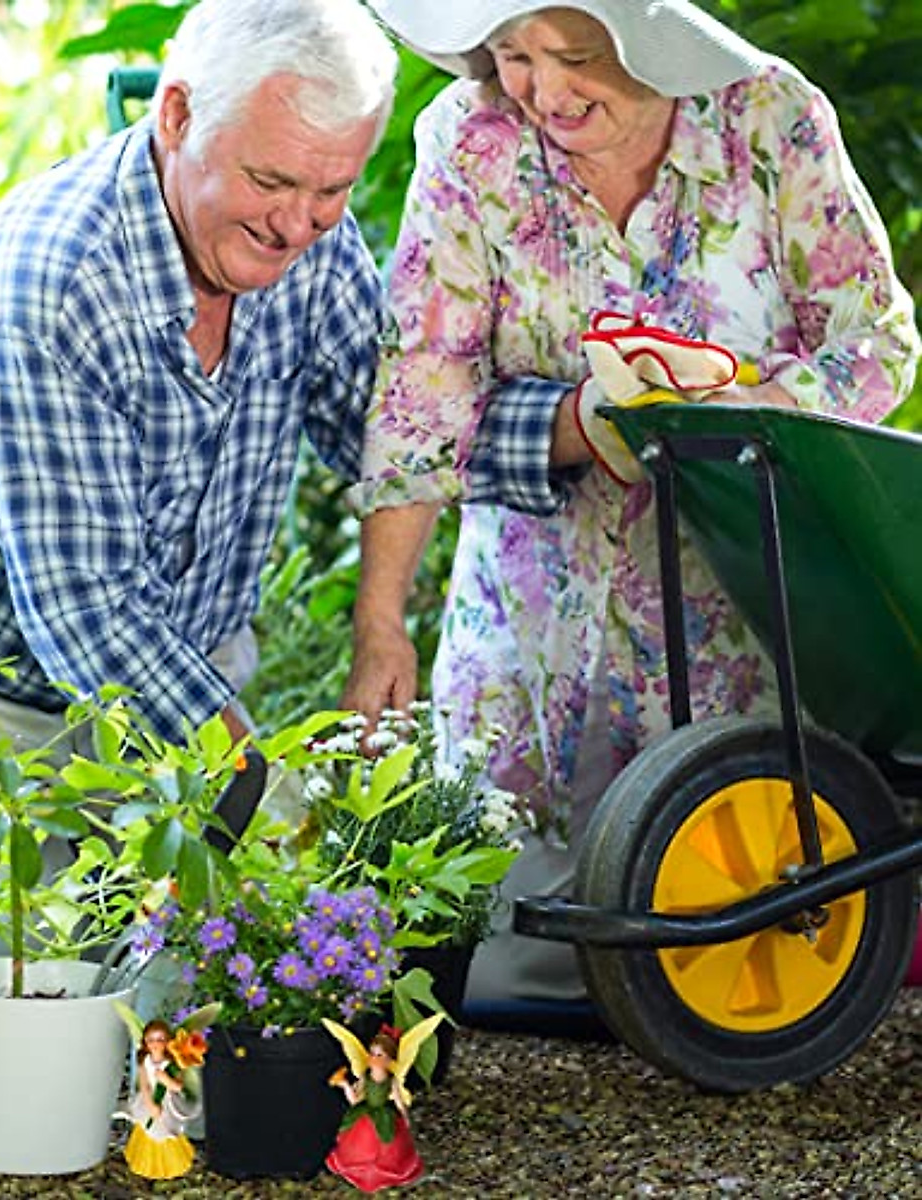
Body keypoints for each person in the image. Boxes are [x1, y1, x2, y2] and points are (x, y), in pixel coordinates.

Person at [0, 0, 398, 983]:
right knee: (29, 986)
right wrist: (257, 791)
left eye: (333, 188)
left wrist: (584, 427)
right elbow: (87, 612)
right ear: (176, 116)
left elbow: (392, 430)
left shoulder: (310, 245)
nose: (300, 224)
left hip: (149, 698)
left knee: (223, 971)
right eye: (272, 179)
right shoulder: (55, 279)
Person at [343, 0, 919, 1023]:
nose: (543, 91)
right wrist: (379, 618)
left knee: (720, 987)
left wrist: (734, 410)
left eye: (577, 56)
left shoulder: (770, 119)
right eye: (513, 56)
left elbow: (876, 342)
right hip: (526, 639)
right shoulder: (469, 141)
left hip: (735, 613)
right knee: (505, 1001)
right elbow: (426, 391)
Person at [325, 1023, 427, 1193]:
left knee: (386, 1141)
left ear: (389, 1059)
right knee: (356, 1142)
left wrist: (405, 1116)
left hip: (384, 1114)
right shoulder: (365, 1076)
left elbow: (398, 1099)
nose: (374, 1058)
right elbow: (356, 1100)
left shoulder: (392, 1079)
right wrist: (344, 1085)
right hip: (364, 1111)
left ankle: (386, 1166)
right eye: (372, 1053)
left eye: (379, 1054)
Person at [124, 1018, 200, 1180]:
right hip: (150, 1101)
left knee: (166, 1129)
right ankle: (146, 1163)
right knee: (148, 1128)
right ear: (145, 1042)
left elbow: (179, 1086)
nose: (155, 1044)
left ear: (168, 1042)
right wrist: (150, 1104)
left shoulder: (172, 1062)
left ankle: (172, 1163)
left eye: (160, 1039)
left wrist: (167, 1080)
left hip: (168, 1100)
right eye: (150, 1040)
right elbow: (144, 1085)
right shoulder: (145, 1062)